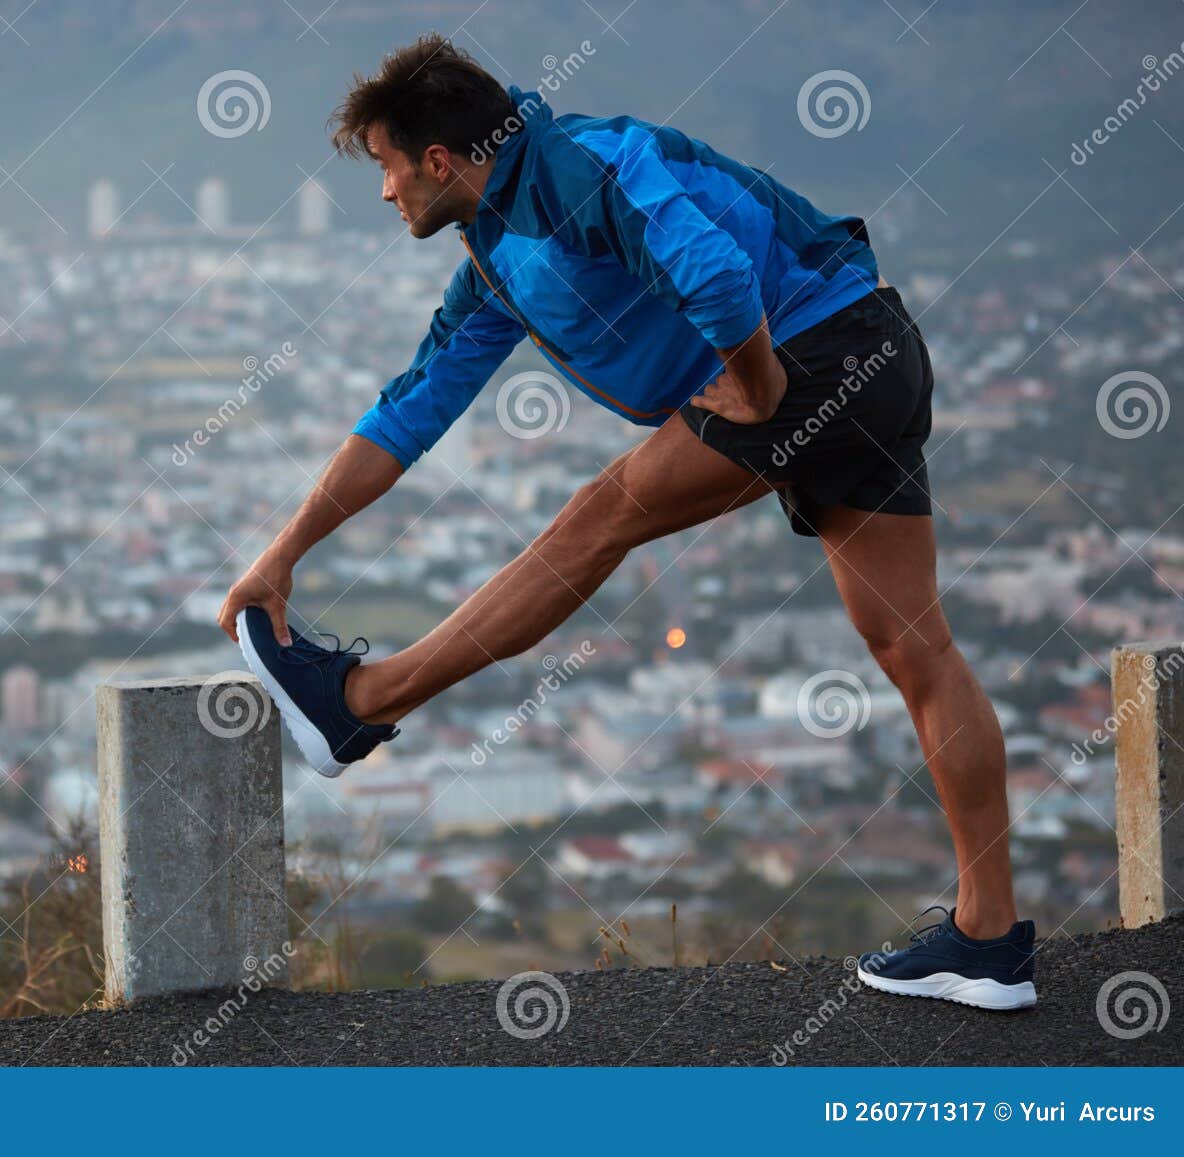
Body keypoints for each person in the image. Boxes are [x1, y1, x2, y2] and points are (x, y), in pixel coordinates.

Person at [218, 34, 1035, 1009]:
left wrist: (756, 380)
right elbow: (407, 413)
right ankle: (988, 942)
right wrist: (283, 553)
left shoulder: (573, 166)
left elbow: (716, 272)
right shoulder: (496, 255)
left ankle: (358, 703)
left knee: (597, 514)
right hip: (876, 349)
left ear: (438, 161)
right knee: (915, 647)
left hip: (822, 351)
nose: (385, 192)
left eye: (389, 168)